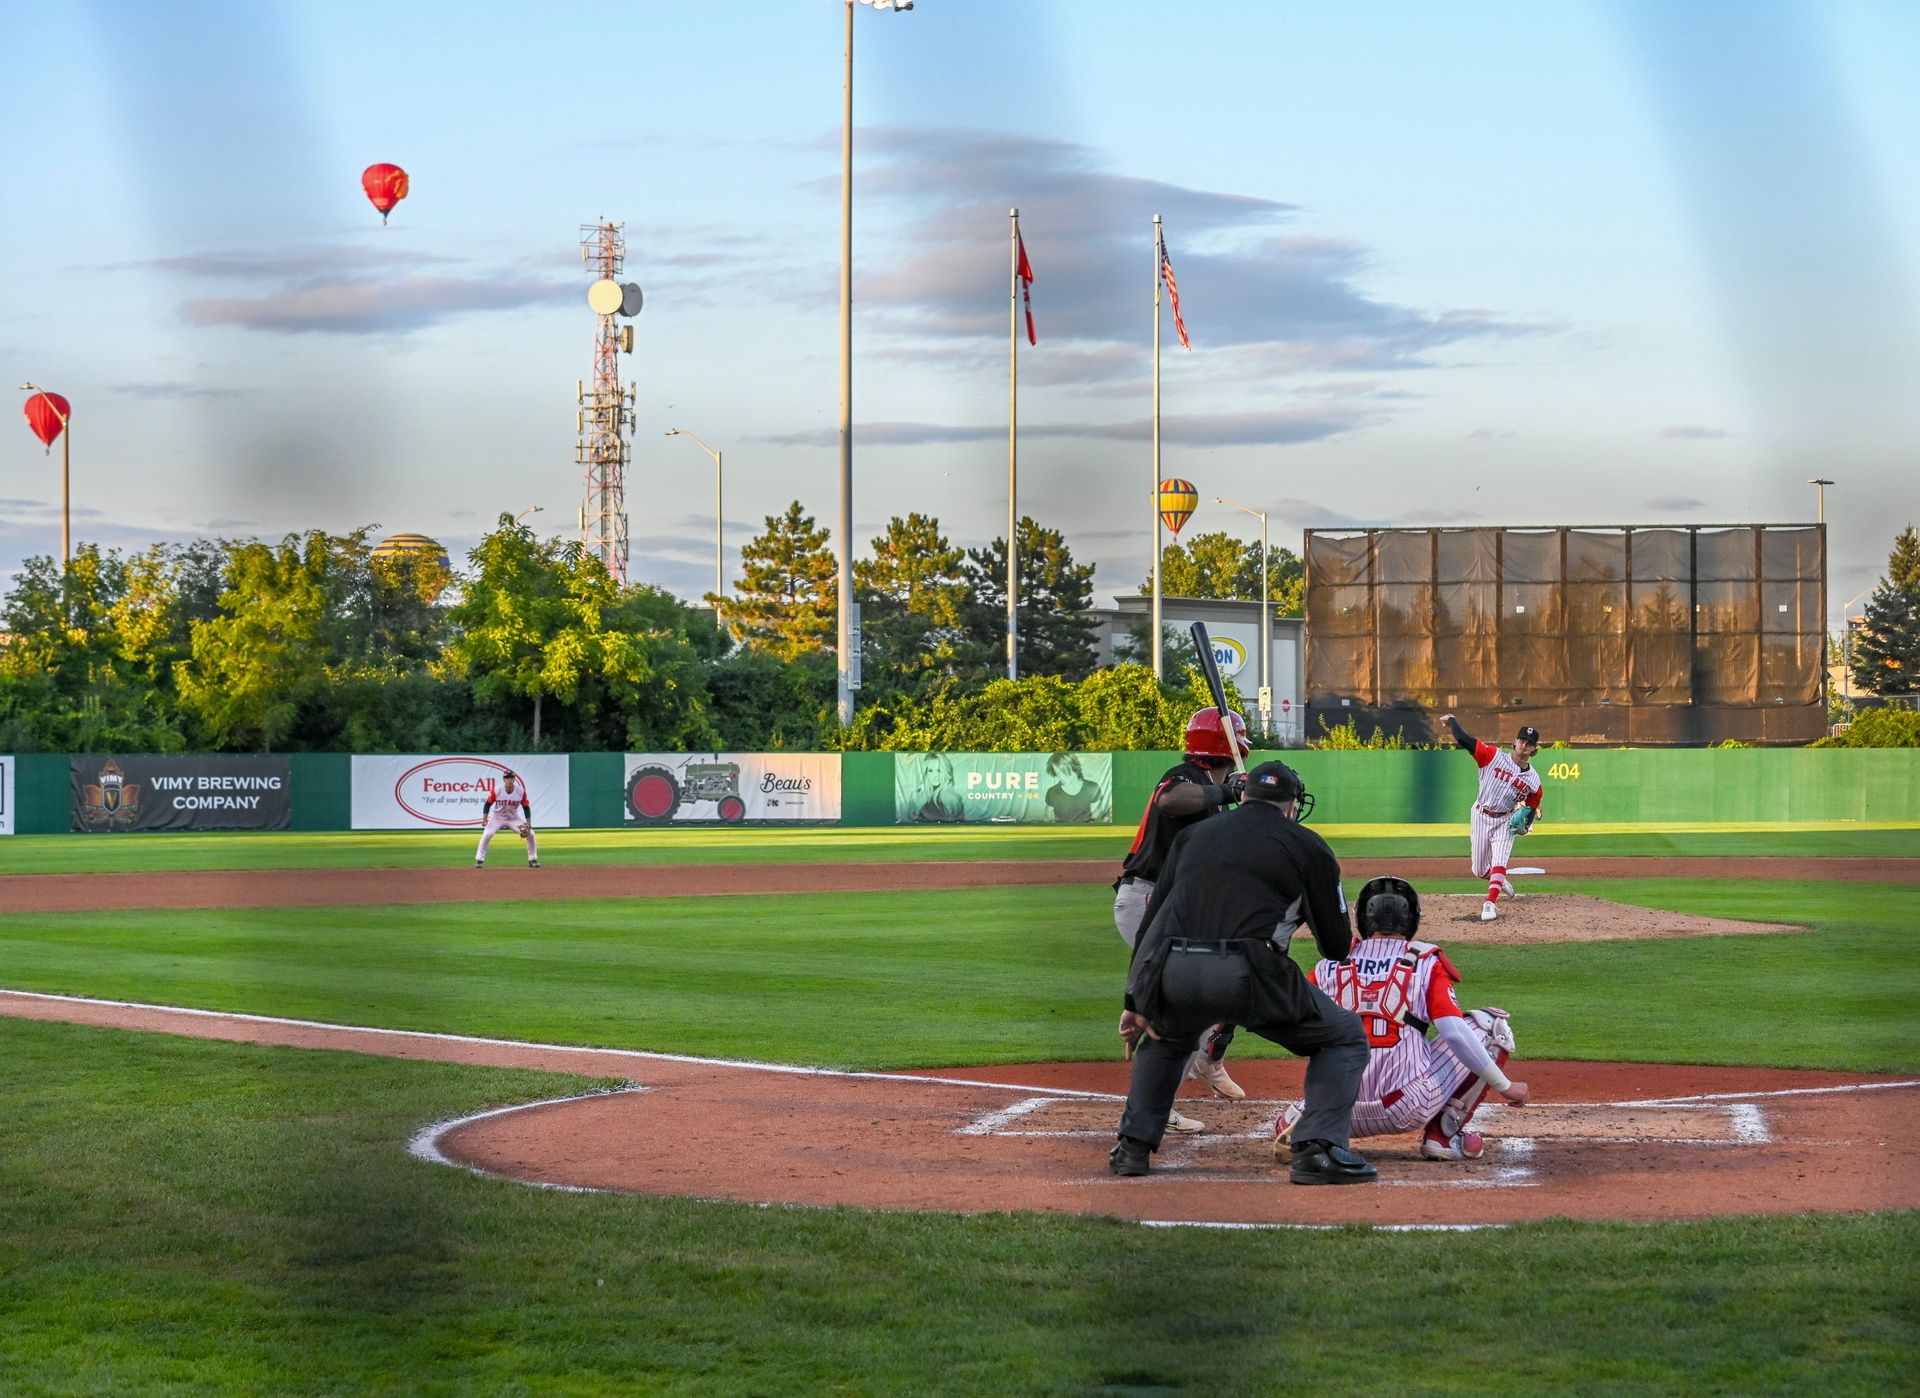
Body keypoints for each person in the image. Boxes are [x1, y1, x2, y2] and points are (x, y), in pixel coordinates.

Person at [1109, 761, 1376, 1186]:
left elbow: (1154, 921)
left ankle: (1132, 1147)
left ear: (1244, 794)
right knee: (1342, 1036)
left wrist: (1137, 1000)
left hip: (1176, 967)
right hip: (1251, 970)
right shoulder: (1307, 845)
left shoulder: (1193, 836)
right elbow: (1337, 946)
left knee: (1165, 1038)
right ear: (1291, 805)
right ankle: (1318, 1149)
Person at [1272, 876, 1529, 1162]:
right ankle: (1443, 1135)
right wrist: (1505, 1086)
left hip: (1337, 1111)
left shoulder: (1328, 966)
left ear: (1362, 920)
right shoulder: (1425, 961)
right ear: (1412, 920)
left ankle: (1303, 1119)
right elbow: (1454, 1032)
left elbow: (1292, 1023)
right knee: (1491, 1026)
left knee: (1330, 1060)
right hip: (1406, 1106)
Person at [1111, 707, 1253, 1130]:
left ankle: (1211, 1057)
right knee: (1183, 997)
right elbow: (1170, 800)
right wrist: (1229, 794)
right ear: (1232, 749)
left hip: (1174, 906)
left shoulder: (1213, 796)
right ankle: (1158, 1103)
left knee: (1232, 970)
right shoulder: (1186, 777)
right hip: (1147, 900)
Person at [1440, 714, 1543, 920]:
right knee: (1478, 870)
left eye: (1529, 743)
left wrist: (1526, 824)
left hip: (1505, 819)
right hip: (1480, 814)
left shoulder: (1533, 780)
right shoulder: (1493, 756)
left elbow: (1532, 805)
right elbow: (1464, 739)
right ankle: (1500, 880)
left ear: (1534, 750)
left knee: (1500, 859)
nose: (1524, 745)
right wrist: (1452, 720)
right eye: (1522, 740)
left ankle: (1490, 903)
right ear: (1515, 742)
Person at [475, 769, 539, 868]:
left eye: (511, 777)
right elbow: (487, 804)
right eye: (507, 778)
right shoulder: (497, 790)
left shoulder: (520, 791)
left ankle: (533, 859)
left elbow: (526, 807)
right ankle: (479, 860)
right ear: (504, 779)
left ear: (514, 779)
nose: (509, 779)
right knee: (488, 833)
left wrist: (528, 823)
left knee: (530, 833)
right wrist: (484, 818)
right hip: (497, 817)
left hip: (513, 818)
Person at [1043, 751, 1106, 824]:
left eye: (1064, 772)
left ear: (1073, 767)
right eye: (1058, 773)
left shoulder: (1092, 788)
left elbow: (1097, 817)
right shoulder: (1052, 792)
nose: (1061, 777)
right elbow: (1047, 818)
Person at [908, 753, 965, 824]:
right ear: (926, 773)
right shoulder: (917, 796)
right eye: (930, 771)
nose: (935, 775)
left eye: (938, 771)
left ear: (946, 772)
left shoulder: (952, 800)